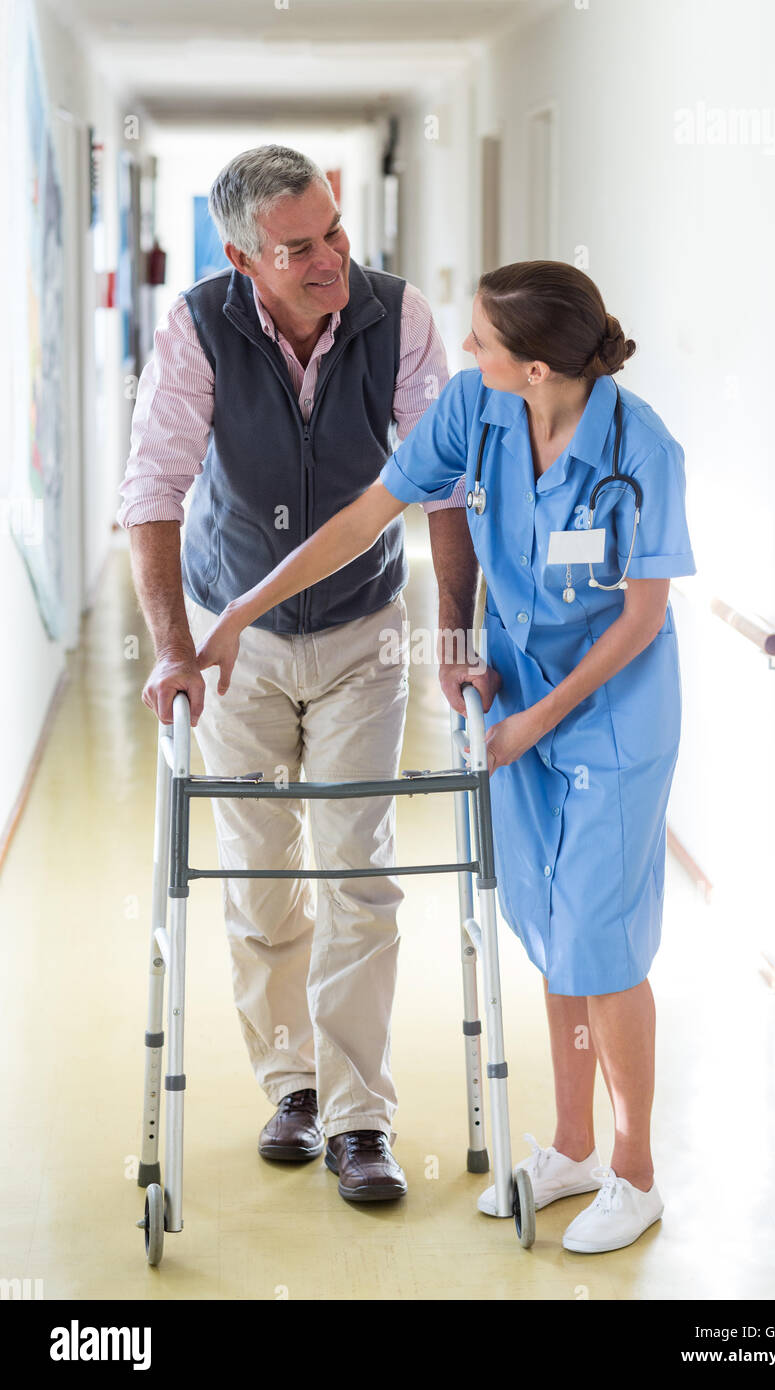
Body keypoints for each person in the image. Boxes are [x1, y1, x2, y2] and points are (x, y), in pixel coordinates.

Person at [195, 260, 697, 1254]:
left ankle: (635, 1169)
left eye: (481, 341)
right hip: (510, 704)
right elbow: (362, 518)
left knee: (601, 936)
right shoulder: (476, 410)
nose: (464, 353)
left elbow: (643, 615)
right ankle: (569, 1145)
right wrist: (243, 611)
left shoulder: (641, 447)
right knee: (551, 931)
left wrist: (534, 719)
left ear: (541, 368)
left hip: (608, 716)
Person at [117, 144, 495, 1204]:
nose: (331, 257)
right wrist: (173, 647)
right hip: (229, 627)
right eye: (300, 248)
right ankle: (292, 1082)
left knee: (356, 867)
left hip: (363, 626)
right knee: (260, 871)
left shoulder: (395, 314)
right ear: (243, 257)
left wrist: (456, 638)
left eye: (334, 229)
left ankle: (358, 1113)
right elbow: (152, 487)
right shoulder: (196, 325)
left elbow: (445, 487)